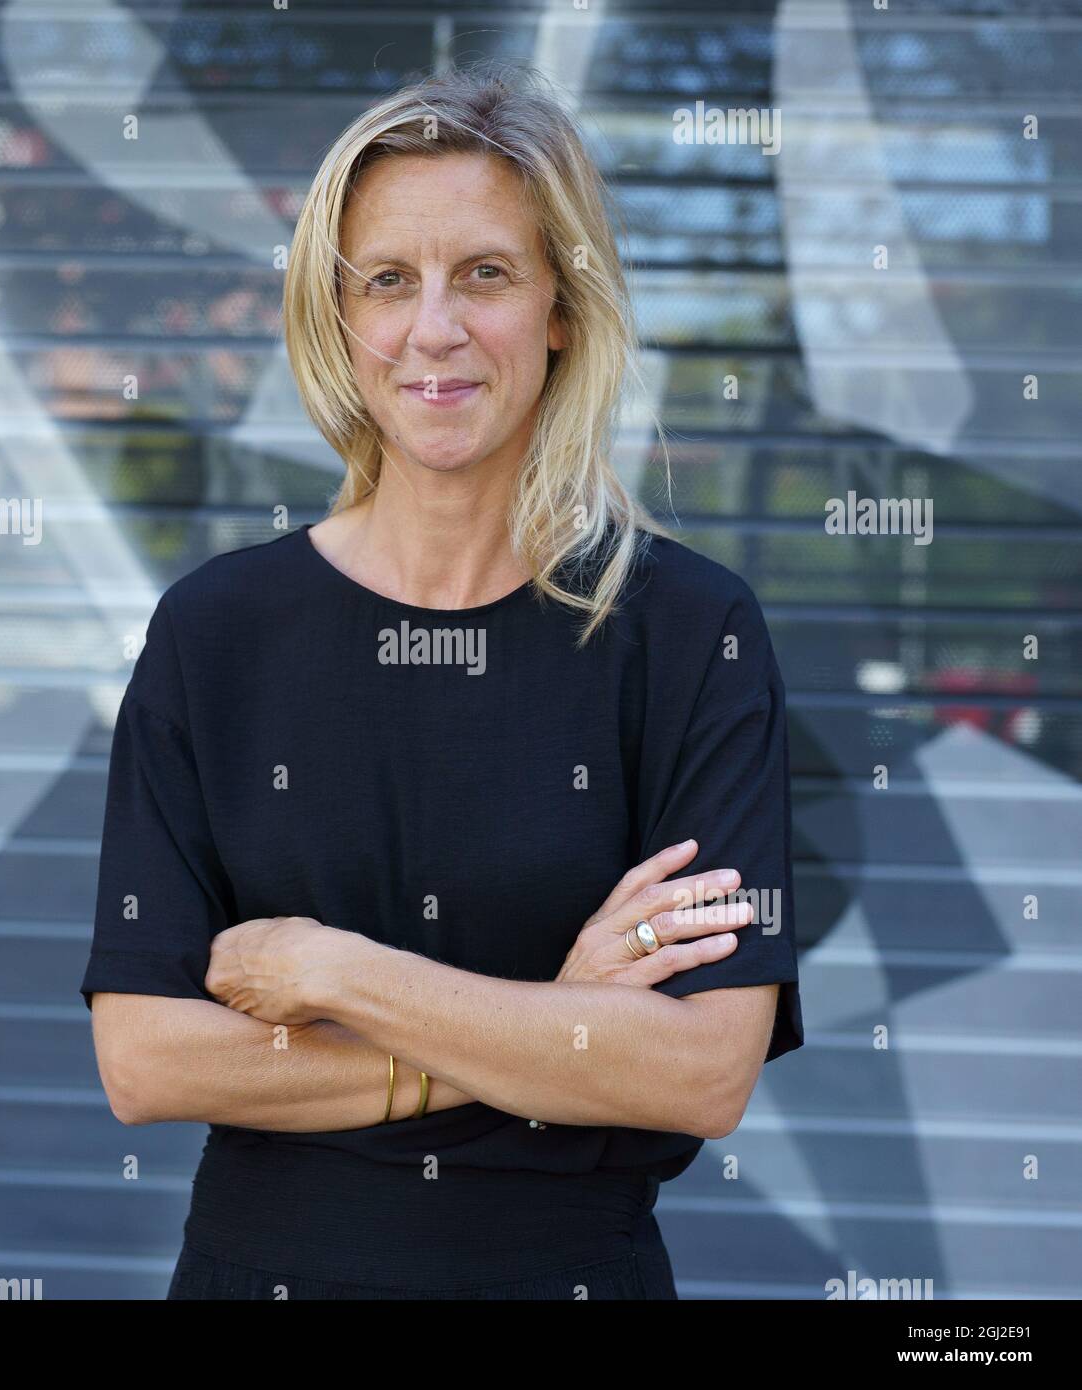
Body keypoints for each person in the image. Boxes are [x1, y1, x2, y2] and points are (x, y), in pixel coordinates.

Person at [79, 63, 803, 1301]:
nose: (434, 329)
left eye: (485, 273)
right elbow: (147, 1059)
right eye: (388, 281)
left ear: (562, 307)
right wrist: (555, 1024)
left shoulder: (689, 634)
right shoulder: (218, 633)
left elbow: (700, 1074)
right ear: (339, 316)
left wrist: (337, 974)